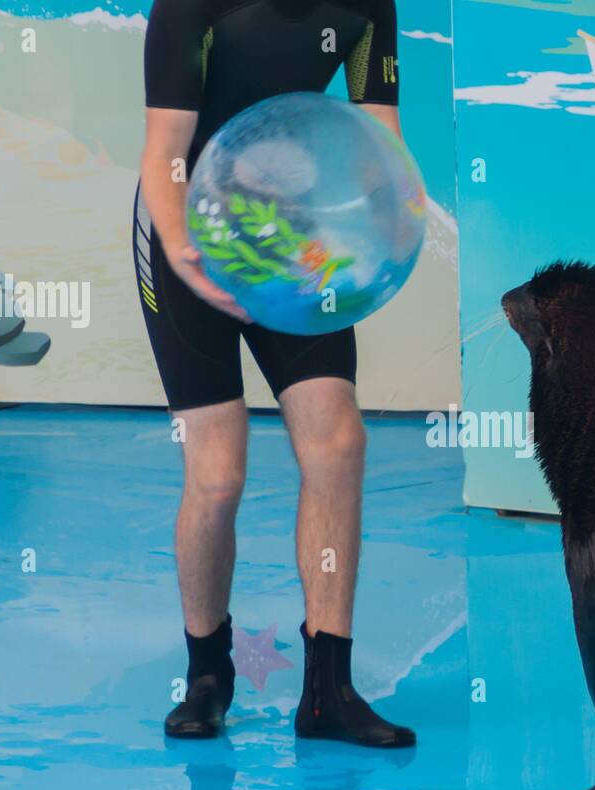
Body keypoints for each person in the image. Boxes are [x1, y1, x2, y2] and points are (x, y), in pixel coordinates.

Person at [133, 0, 414, 747]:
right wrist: (186, 255)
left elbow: (375, 127)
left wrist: (388, 222)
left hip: (289, 238)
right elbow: (164, 149)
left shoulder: (365, 4)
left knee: (337, 442)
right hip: (184, 229)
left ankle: (328, 689)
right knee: (218, 474)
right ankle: (207, 674)